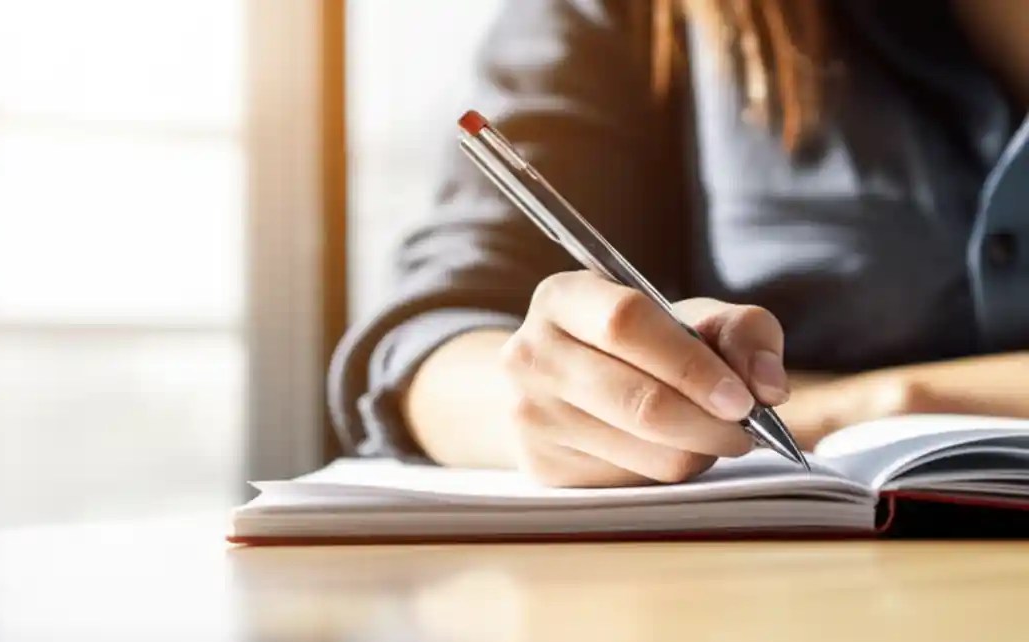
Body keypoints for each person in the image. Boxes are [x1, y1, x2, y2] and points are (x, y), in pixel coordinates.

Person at [330, 0, 1029, 487]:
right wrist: (557, 399)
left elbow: (876, 404)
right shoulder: (647, 13)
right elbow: (428, 337)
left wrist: (879, 407)